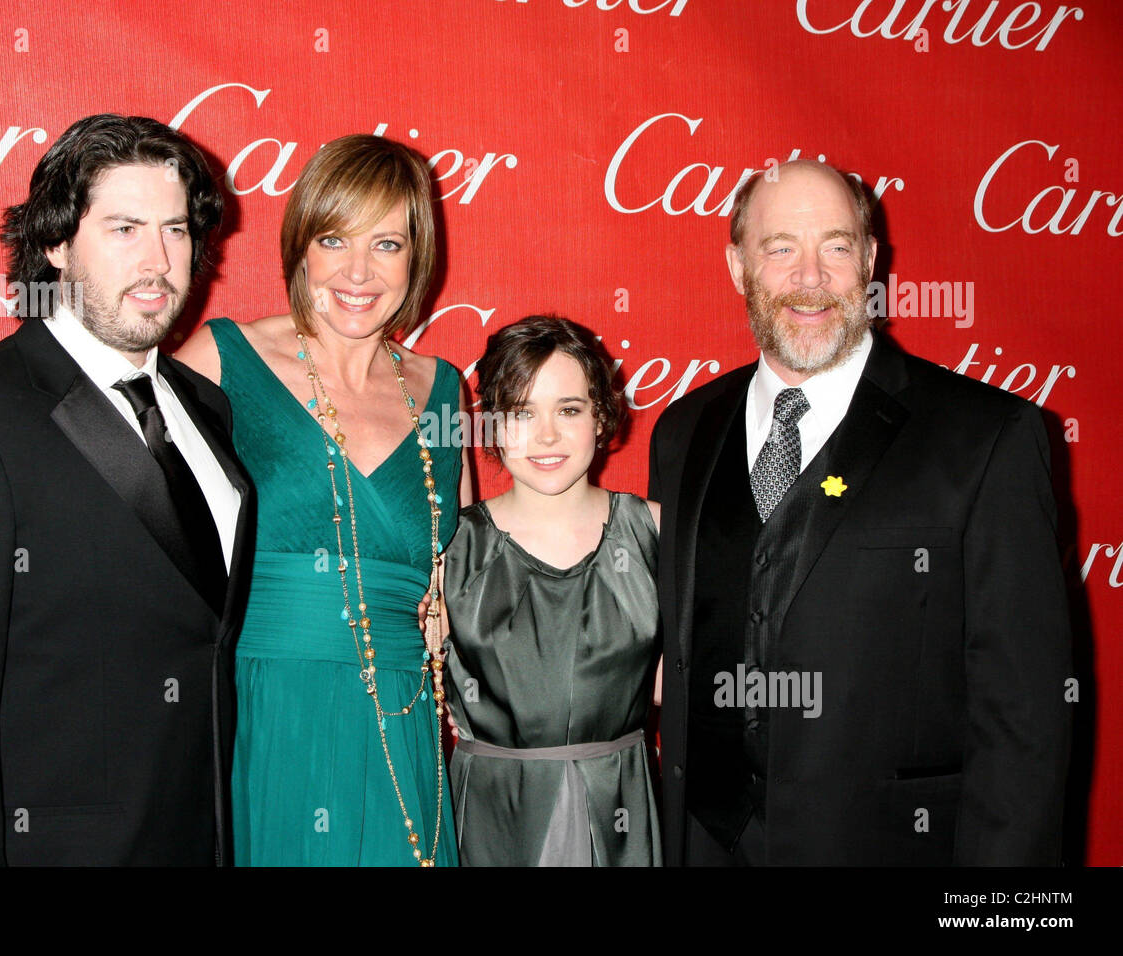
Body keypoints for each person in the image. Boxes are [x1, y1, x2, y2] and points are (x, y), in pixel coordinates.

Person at [649, 159, 1073, 866]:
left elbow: (1025, 719)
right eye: (780, 247)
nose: (809, 277)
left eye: (837, 247)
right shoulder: (685, 430)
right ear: (736, 265)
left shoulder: (987, 438)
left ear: (871, 260)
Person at [0, 114, 254, 865]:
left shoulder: (205, 410)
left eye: (174, 230)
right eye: (124, 229)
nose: (158, 262)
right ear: (54, 242)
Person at [176, 133, 470, 866]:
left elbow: (465, 572)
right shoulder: (222, 360)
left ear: (418, 258)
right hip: (265, 712)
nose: (359, 272)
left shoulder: (445, 390)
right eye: (335, 238)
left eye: (388, 244)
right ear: (302, 243)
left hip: (402, 724)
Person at [438, 316, 661, 866]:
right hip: (490, 822)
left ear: (600, 416)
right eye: (521, 413)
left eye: (568, 409)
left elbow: (681, 686)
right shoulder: (450, 549)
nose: (546, 437)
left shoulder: (656, 531)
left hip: (621, 814)